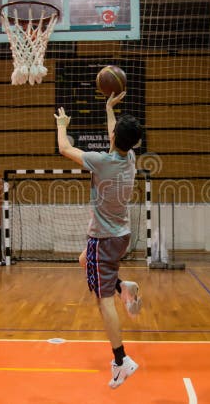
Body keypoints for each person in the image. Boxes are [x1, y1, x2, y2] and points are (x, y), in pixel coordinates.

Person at [54, 91, 144, 389]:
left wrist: (62, 124)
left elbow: (64, 148)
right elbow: (114, 135)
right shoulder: (130, 158)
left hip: (102, 239)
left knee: (103, 301)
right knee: (84, 262)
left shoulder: (101, 161)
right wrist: (108, 108)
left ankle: (121, 361)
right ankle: (124, 287)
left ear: (115, 136)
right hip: (122, 234)